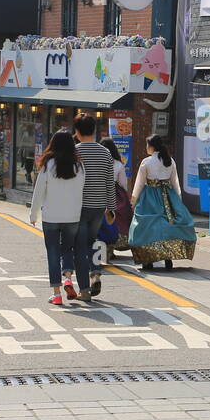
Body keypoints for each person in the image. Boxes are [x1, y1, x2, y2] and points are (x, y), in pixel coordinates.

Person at [28, 130, 85, 306]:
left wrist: (33, 214)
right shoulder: (79, 166)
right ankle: (68, 279)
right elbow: (80, 191)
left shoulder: (48, 165)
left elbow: (38, 192)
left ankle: (57, 294)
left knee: (53, 253)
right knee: (67, 249)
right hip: (72, 216)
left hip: (51, 216)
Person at [129, 134, 197, 270]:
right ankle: (168, 256)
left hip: (149, 196)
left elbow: (139, 183)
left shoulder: (146, 162)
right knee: (167, 224)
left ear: (152, 146)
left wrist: (134, 200)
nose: (146, 147)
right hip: (168, 196)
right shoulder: (170, 160)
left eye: (147, 145)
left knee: (146, 226)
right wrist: (178, 199)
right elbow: (175, 182)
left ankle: (148, 259)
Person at [68, 114, 116, 301]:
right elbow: (109, 183)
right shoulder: (105, 153)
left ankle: (85, 290)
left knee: (79, 246)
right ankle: (95, 272)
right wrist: (111, 208)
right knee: (92, 239)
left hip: (78, 206)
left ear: (77, 132)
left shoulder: (75, 152)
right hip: (98, 206)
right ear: (94, 131)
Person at [97, 138, 133, 258]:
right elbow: (123, 184)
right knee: (116, 218)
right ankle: (112, 247)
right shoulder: (118, 164)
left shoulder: (97, 162)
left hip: (99, 191)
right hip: (115, 193)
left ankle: (99, 246)